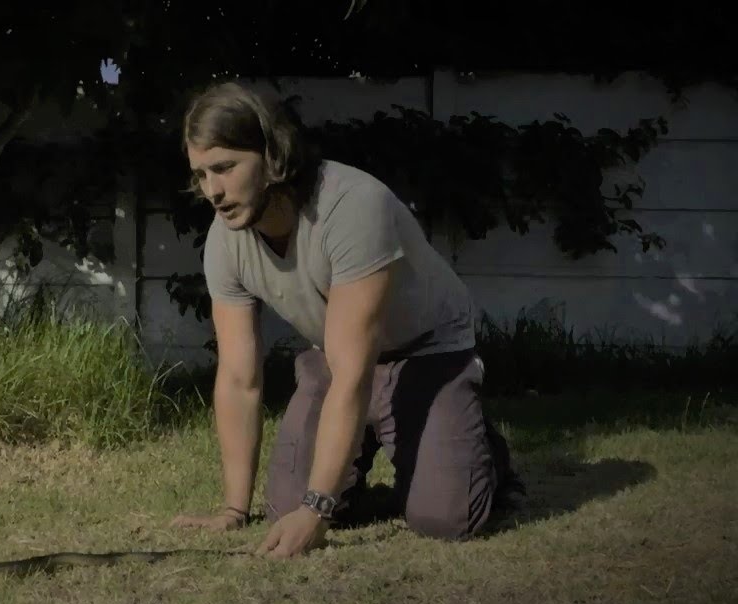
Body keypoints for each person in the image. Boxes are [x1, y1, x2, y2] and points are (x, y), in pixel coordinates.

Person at [168, 81, 525, 558]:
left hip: (427, 352)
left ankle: (483, 453)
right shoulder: (224, 239)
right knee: (284, 509)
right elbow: (238, 378)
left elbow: (354, 373)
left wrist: (316, 510)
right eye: (201, 175)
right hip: (335, 358)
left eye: (225, 168)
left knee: (445, 518)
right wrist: (234, 510)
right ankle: (364, 460)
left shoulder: (352, 206)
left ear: (272, 157)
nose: (213, 191)